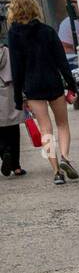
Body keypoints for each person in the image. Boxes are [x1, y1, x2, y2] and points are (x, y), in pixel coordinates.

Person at [5, 0, 79, 185]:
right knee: (62, 124)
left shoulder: (13, 34)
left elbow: (16, 67)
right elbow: (62, 61)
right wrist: (71, 85)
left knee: (46, 129)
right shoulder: (47, 31)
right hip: (53, 83)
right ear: (34, 6)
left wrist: (18, 97)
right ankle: (65, 157)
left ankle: (56, 172)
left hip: (32, 86)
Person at [0, 20, 27, 177]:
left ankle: (4, 152)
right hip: (9, 92)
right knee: (13, 129)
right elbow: (17, 73)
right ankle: (16, 166)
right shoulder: (7, 52)